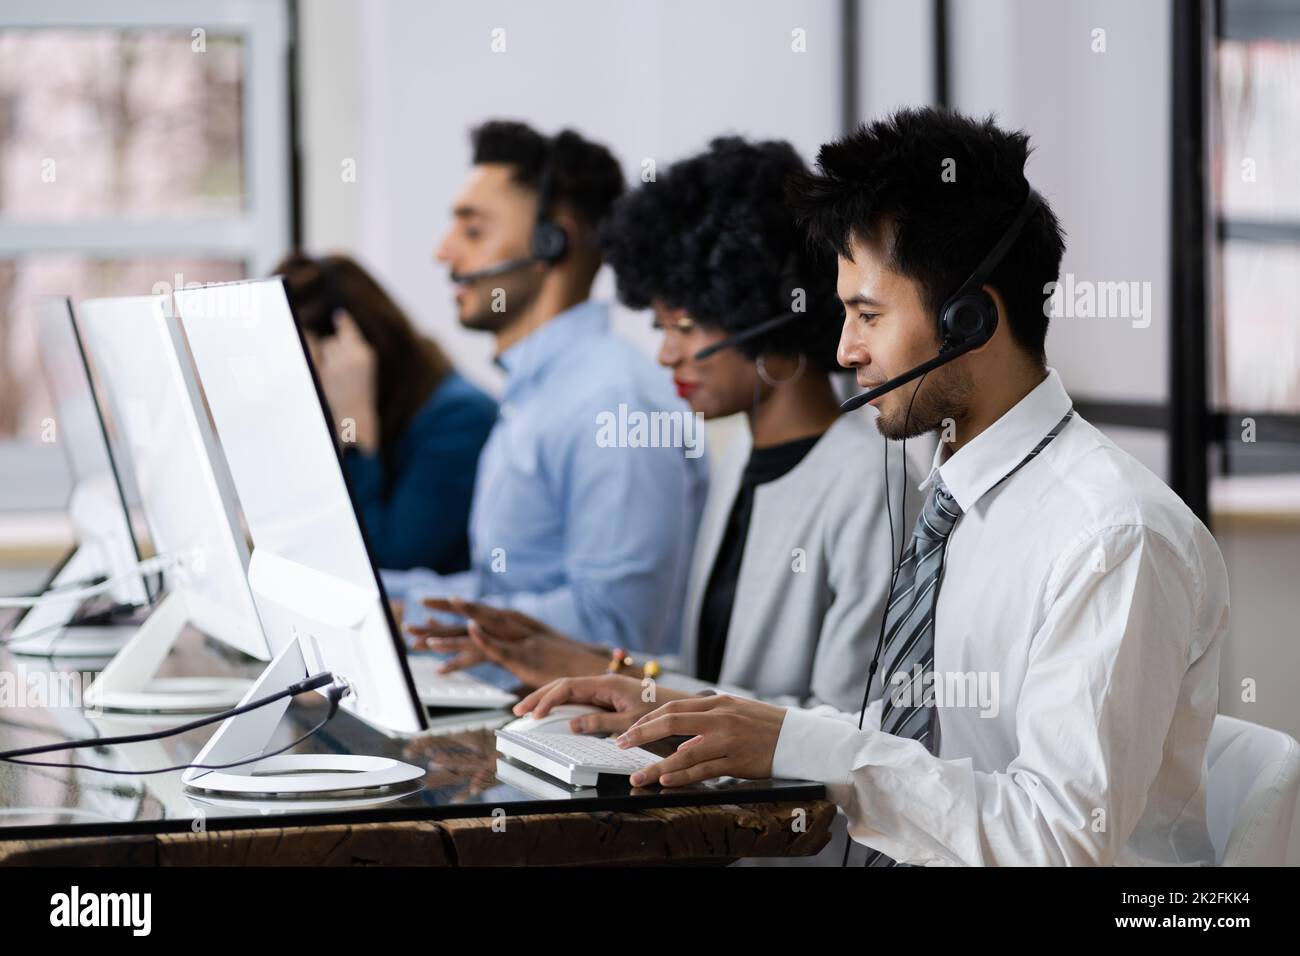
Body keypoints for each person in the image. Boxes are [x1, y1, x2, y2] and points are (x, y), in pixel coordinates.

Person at [512, 108, 1230, 867]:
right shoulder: (947, 500)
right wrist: (678, 708)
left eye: (868, 314)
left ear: (969, 322)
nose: (845, 346)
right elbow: (884, 739)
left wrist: (808, 747)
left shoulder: (1109, 537)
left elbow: (1059, 840)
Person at [410, 137, 920, 719]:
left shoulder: (870, 483)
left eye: (683, 326)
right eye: (659, 327)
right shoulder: (739, 465)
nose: (665, 355)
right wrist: (593, 665)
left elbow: (854, 726)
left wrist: (621, 681)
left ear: (761, 312)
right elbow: (719, 683)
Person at [384, 121, 706, 655]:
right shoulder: (538, 393)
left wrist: (416, 618)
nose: (445, 253)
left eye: (473, 231)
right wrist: (380, 599)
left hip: (587, 728)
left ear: (550, 241)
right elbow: (505, 592)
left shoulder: (613, 401)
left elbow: (617, 626)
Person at [275, 252, 496, 574]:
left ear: (350, 351)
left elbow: (385, 562)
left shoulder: (460, 420)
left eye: (303, 364)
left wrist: (354, 429)